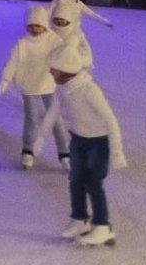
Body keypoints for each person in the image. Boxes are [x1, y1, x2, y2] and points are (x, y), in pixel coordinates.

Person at [37, 39, 126, 247]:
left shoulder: (89, 90)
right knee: (76, 180)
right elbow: (52, 114)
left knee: (94, 183)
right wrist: (40, 137)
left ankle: (102, 226)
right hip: (78, 140)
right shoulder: (62, 89)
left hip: (98, 143)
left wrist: (117, 151)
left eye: (54, 69)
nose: (50, 72)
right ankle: (80, 219)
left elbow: (110, 119)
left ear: (66, 69)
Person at [0, 6, 67, 170]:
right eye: (31, 26)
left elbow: (66, 54)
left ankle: (65, 153)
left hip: (49, 84)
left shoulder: (54, 40)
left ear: (44, 25)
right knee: (32, 119)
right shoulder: (22, 44)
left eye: (38, 25)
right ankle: (28, 151)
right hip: (29, 85)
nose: (34, 29)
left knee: (55, 119)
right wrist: (5, 79)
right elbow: (12, 62)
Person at [48, 0, 95, 72]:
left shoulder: (76, 33)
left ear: (68, 19)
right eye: (57, 18)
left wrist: (76, 60)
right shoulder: (49, 32)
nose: (59, 21)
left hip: (70, 70)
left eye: (62, 19)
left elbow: (87, 56)